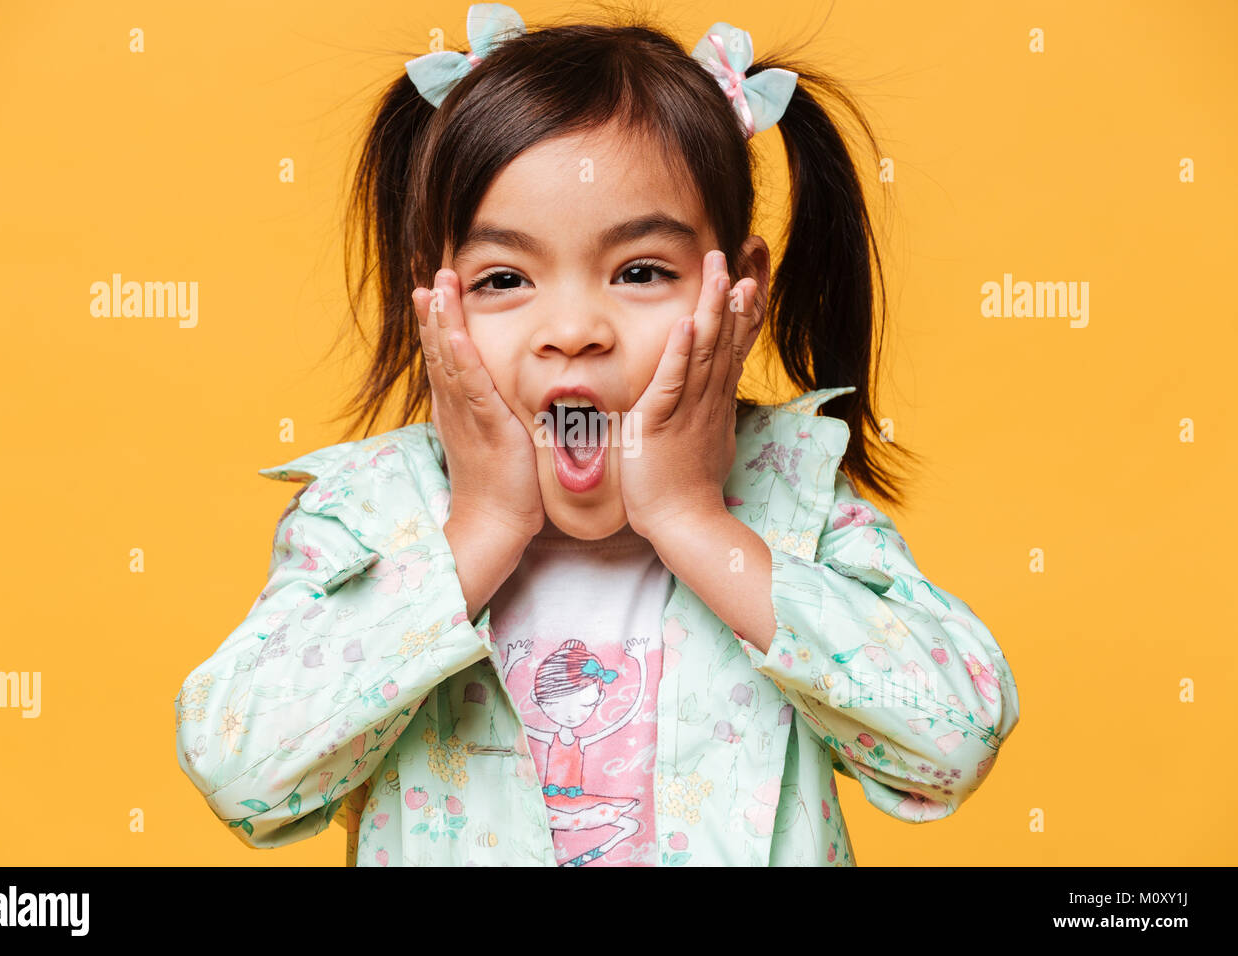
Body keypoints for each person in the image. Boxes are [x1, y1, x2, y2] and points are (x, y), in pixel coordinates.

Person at [173, 3, 1020, 866]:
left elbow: (950, 744)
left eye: (640, 271)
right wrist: (483, 529)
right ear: (436, 302)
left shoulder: (792, 502)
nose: (573, 328)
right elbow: (244, 774)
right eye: (505, 277)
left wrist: (695, 520)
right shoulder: (372, 516)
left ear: (739, 293)